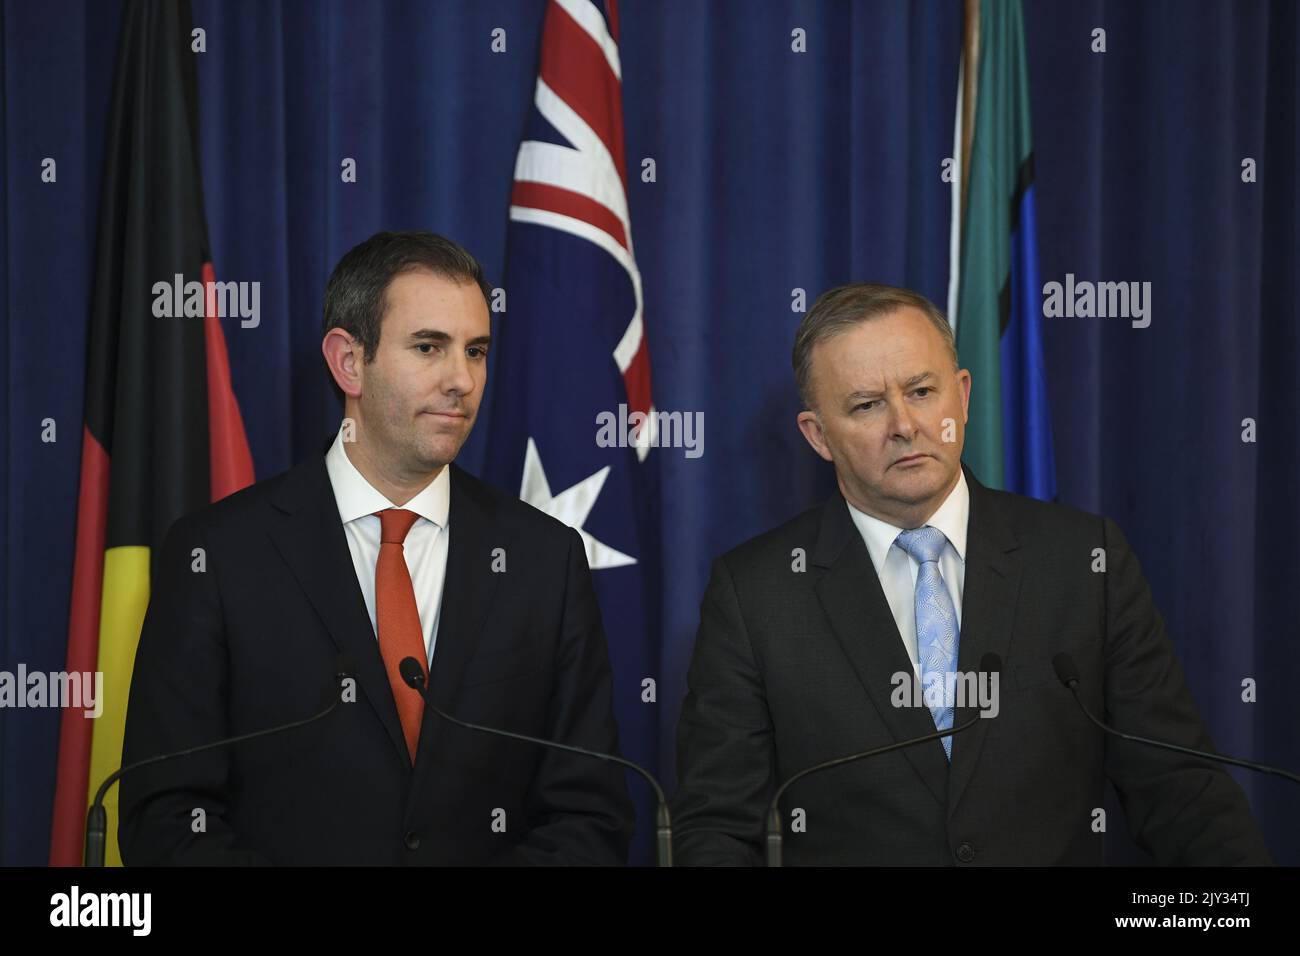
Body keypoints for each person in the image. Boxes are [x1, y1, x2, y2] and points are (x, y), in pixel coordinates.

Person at [671, 282, 1272, 865]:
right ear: (818, 435)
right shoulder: (756, 593)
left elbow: (1180, 791)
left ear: (962, 394)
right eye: (866, 405)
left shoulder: (1084, 561)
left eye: (921, 391)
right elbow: (718, 826)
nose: (904, 425)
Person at [120, 231, 633, 864]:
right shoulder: (217, 555)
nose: (462, 381)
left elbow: (590, 814)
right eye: (428, 347)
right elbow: (167, 817)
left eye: (476, 351)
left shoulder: (544, 558)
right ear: (348, 362)